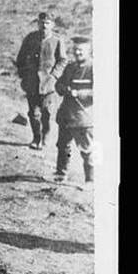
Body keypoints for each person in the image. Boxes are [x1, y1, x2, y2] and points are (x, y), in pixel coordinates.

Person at [14, 11, 66, 149]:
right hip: (32, 83)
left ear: (52, 25)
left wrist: (54, 75)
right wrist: (24, 75)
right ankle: (36, 138)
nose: (44, 25)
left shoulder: (57, 40)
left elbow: (62, 60)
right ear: (38, 23)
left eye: (47, 23)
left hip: (49, 84)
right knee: (33, 113)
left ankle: (46, 137)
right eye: (41, 22)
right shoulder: (30, 38)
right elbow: (20, 58)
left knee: (47, 113)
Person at [53, 37, 94, 186]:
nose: (77, 52)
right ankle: (61, 174)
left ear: (89, 51)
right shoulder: (70, 67)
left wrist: (80, 94)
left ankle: (90, 180)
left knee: (87, 150)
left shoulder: (93, 68)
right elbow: (59, 84)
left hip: (83, 117)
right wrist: (62, 88)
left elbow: (102, 92)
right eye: (75, 49)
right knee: (63, 146)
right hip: (66, 115)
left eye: (81, 50)